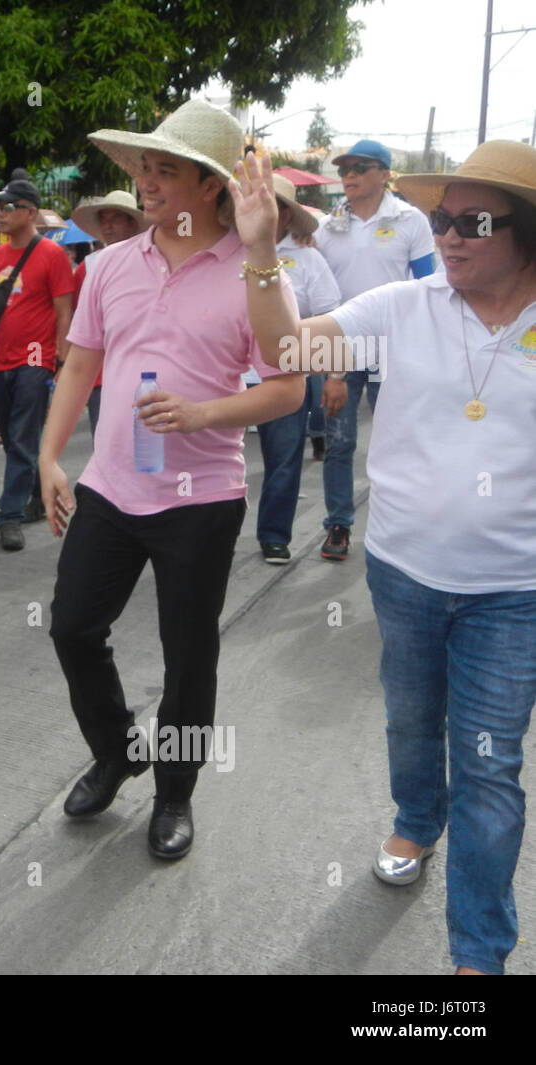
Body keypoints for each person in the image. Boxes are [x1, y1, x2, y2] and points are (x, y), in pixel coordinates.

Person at [234, 140, 536, 975]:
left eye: (474, 220)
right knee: (410, 716)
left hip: (515, 593)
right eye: (442, 219)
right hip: (403, 572)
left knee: (492, 767)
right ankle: (414, 818)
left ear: (528, 230)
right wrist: (261, 252)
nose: (450, 235)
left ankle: (478, 955)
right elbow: (290, 350)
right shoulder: (403, 307)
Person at [41, 99, 304, 860]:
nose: (147, 182)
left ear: (210, 185)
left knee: (189, 655)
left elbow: (286, 386)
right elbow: (81, 364)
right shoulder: (110, 266)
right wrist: (50, 456)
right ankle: (119, 749)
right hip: (112, 487)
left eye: (166, 170)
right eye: (144, 167)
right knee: (71, 627)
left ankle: (175, 792)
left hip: (202, 501)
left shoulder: (256, 274)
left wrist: (201, 413)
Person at [313, 139, 436, 561]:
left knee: (401, 441)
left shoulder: (410, 221)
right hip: (343, 347)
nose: (349, 175)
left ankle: (405, 525)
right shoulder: (325, 228)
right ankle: (339, 526)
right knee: (340, 442)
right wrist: (332, 370)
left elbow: (429, 288)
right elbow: (318, 293)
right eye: (344, 168)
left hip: (395, 347)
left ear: (384, 175)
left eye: (361, 167)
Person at [251, 174, 341, 564]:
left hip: (283, 376)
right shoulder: (223, 254)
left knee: (283, 456)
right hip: (223, 374)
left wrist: (333, 376)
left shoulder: (307, 260)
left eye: (270, 206)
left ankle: (273, 534)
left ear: (284, 215)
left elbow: (328, 316)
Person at [0, 177, 75, 550]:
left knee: (21, 435)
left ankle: (9, 514)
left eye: (9, 207)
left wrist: (63, 360)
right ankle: (37, 494)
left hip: (35, 357)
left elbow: (64, 312)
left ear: (31, 212)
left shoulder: (52, 255)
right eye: (0, 207)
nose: (1, 214)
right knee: (13, 438)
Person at [69, 190, 150, 434]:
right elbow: (78, 323)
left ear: (132, 222)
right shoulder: (88, 266)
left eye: (115, 218)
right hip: (101, 371)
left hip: (146, 369)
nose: (108, 225)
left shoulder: (154, 259)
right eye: (103, 219)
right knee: (105, 438)